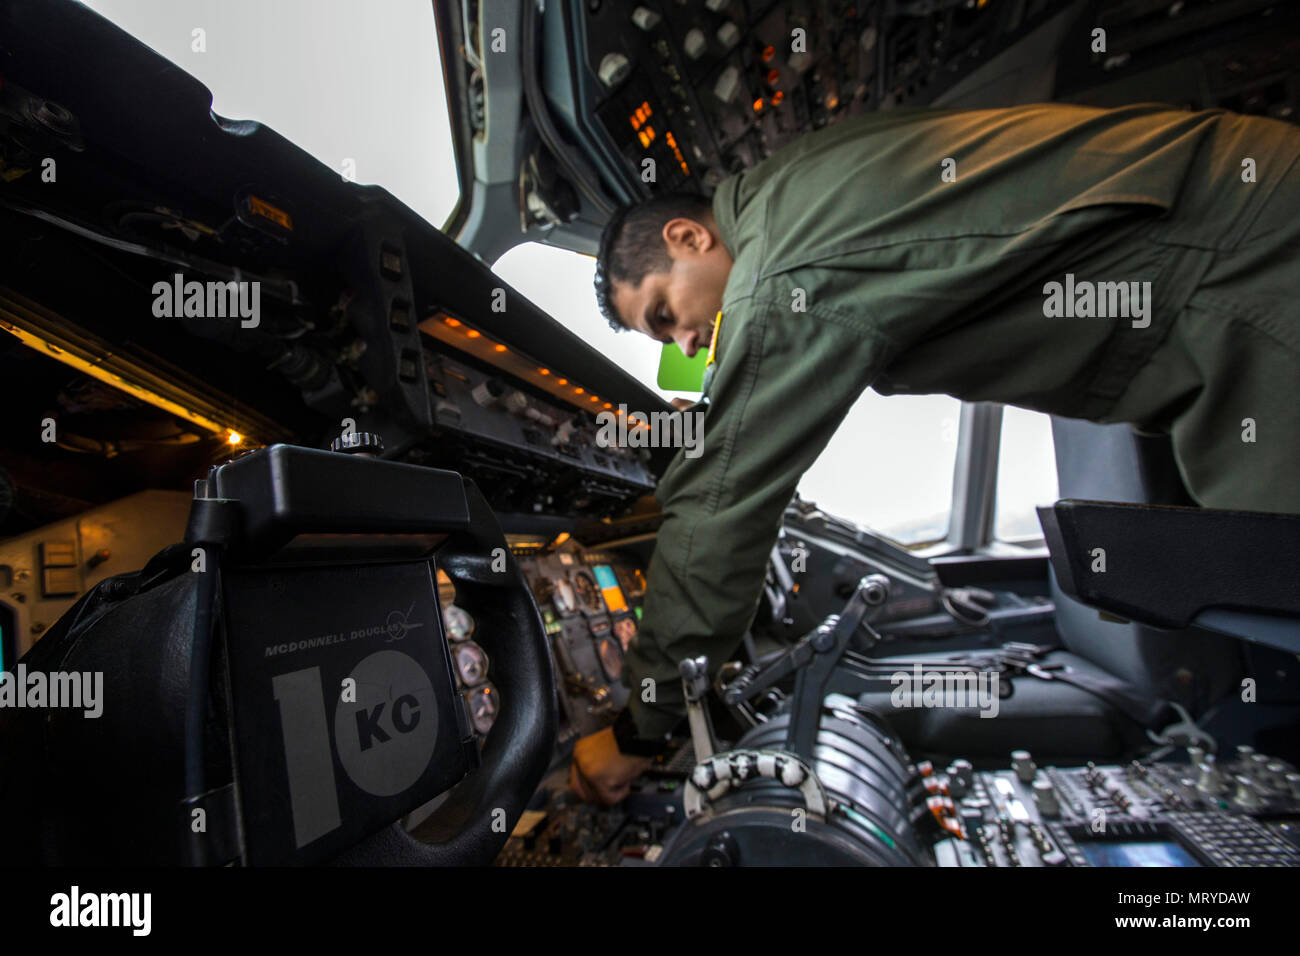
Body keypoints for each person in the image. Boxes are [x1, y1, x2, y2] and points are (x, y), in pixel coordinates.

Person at [567, 101, 1300, 805]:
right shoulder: (791, 194)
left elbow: (721, 502)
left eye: (666, 315)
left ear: (687, 239)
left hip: (1251, 274)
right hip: (1230, 256)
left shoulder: (781, 271)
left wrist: (640, 728)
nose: (687, 343)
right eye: (665, 341)